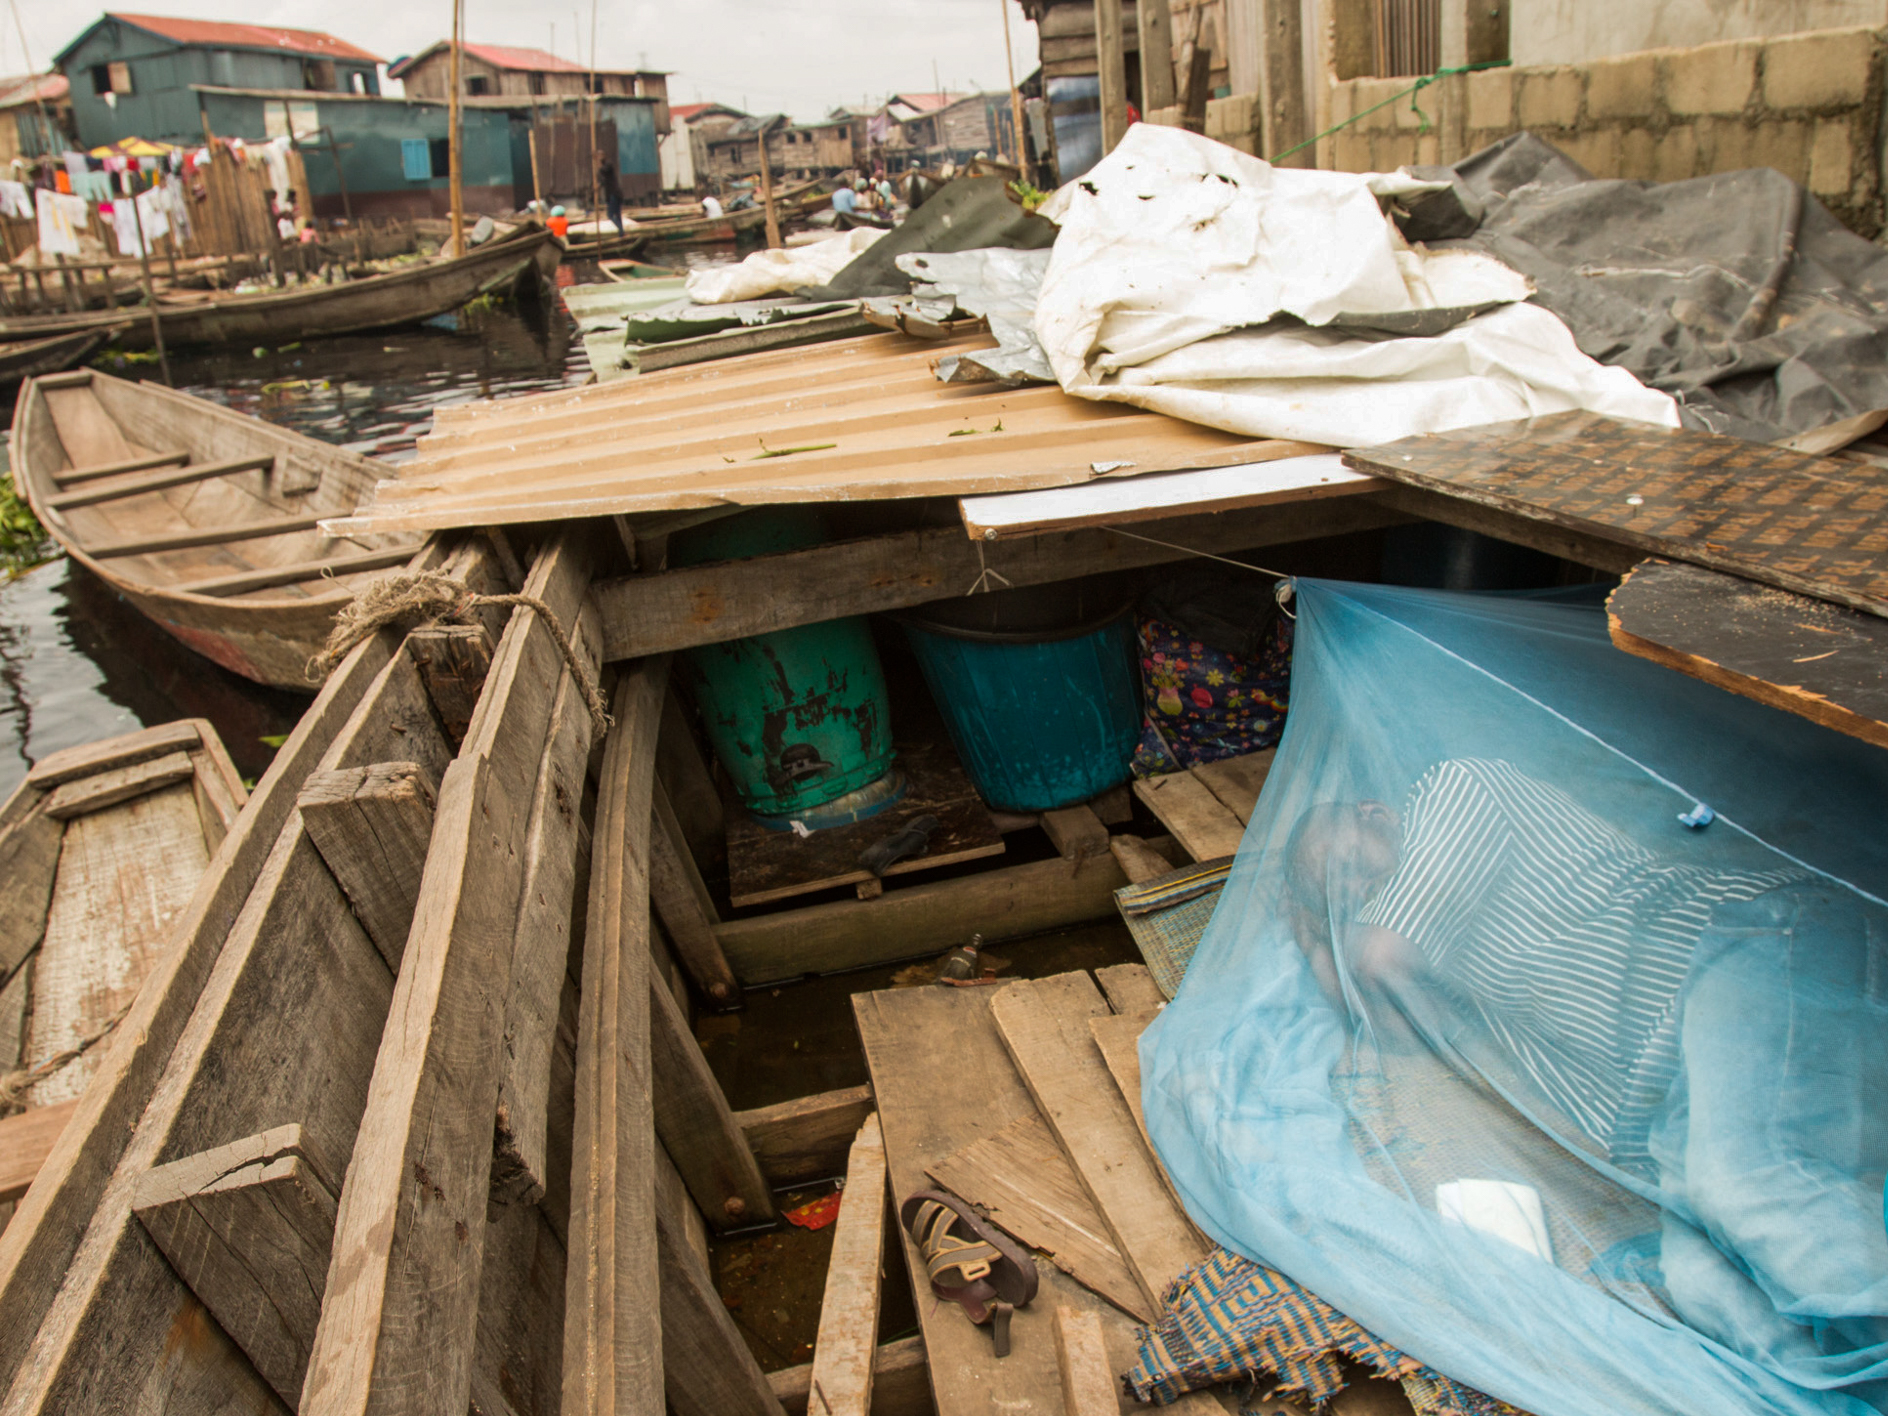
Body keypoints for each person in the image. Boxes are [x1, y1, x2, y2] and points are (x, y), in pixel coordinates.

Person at [1283, 757, 1888, 1380]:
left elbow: (1379, 961)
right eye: (1343, 899)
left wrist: (1323, 936)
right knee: (1702, 1284)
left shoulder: (1457, 787)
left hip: (1736, 955)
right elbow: (1383, 1022)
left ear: (1376, 814)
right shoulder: (1453, 967)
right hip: (1675, 1090)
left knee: (1746, 1184)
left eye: (1352, 869)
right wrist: (1318, 936)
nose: (1358, 897)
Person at [596, 153, 623, 235]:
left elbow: (603, 170)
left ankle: (621, 230)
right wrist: (598, 186)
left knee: (610, 215)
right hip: (615, 194)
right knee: (617, 215)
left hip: (614, 194)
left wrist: (598, 164)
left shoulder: (608, 165)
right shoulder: (606, 170)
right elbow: (604, 181)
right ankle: (621, 233)